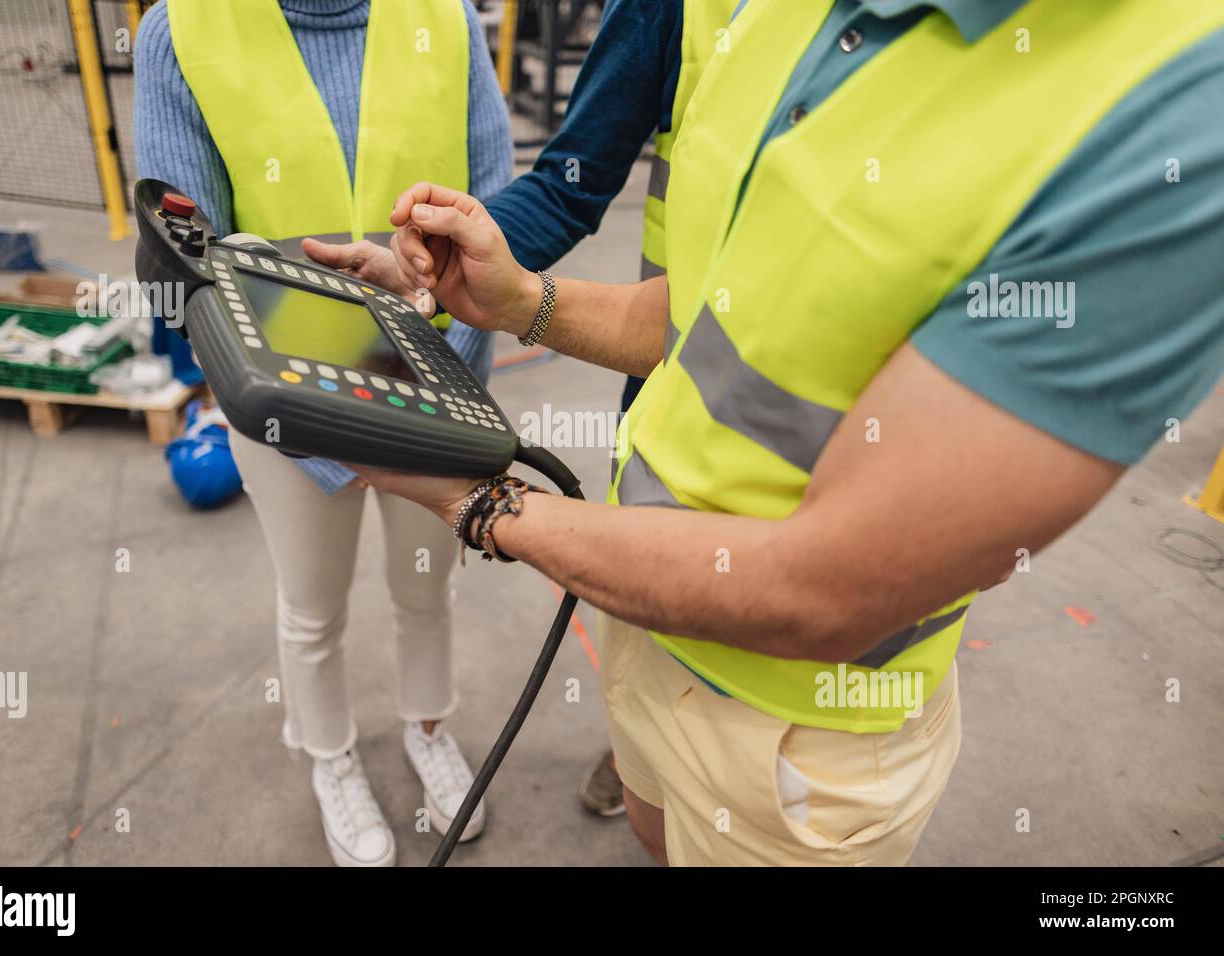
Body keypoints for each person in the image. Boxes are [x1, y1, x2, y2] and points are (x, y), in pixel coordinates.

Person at [316, 0, 1224, 865]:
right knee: (653, 833)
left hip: (806, 729)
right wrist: (523, 301)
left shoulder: (1173, 108)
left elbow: (829, 586)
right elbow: (716, 300)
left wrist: (476, 502)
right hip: (642, 609)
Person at [306, 0, 742, 818]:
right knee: (656, 665)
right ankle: (645, 744)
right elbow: (572, 182)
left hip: (834, 451)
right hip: (670, 397)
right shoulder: (667, 11)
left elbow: (828, 587)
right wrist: (446, 273)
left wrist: (484, 508)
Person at [134, 0, 512, 867]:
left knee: (427, 588)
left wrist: (440, 371)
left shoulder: (445, 18)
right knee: (313, 605)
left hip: (439, 389)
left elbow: (496, 205)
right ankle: (330, 755)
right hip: (285, 404)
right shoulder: (182, 31)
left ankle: (426, 728)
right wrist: (311, 408)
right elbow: (194, 260)